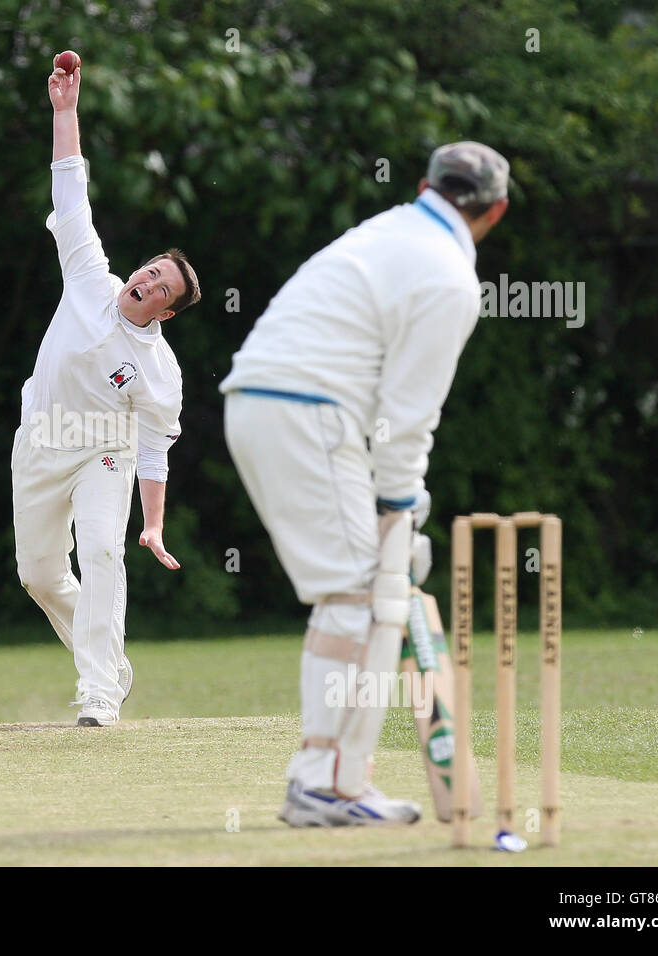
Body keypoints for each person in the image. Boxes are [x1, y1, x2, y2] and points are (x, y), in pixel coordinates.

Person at [221, 142, 510, 823]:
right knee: (361, 593)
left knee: (358, 593)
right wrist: (401, 510)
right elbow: (409, 417)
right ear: (495, 212)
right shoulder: (447, 276)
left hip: (262, 402)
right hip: (306, 411)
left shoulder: (386, 230)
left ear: (425, 186)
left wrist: (397, 513)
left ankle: (334, 776)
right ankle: (325, 785)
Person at [13, 55, 202, 727]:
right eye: (150, 271)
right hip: (41, 439)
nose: (145, 284)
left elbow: (155, 447)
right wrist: (66, 114)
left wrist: (152, 524)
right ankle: (111, 663)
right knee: (39, 575)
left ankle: (98, 695)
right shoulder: (90, 276)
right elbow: (71, 195)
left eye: (160, 290)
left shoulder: (160, 370)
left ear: (167, 311)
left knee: (100, 551)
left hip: (104, 450)